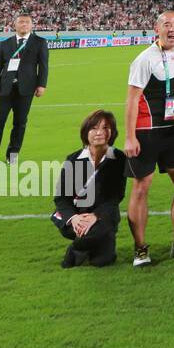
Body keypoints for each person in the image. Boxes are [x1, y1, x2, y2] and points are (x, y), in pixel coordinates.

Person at [124, 9, 174, 265]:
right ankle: (140, 249)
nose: (173, 29)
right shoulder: (144, 59)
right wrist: (129, 137)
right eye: (167, 25)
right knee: (141, 188)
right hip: (146, 133)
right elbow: (132, 100)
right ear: (157, 29)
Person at [52, 110, 127, 268]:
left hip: (103, 216)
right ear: (86, 132)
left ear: (112, 132)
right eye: (94, 128)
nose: (99, 132)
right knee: (95, 233)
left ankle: (76, 248)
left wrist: (95, 216)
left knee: (102, 261)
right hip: (76, 216)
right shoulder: (73, 159)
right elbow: (61, 198)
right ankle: (86, 244)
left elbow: (115, 196)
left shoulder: (118, 158)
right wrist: (74, 218)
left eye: (105, 127)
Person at [0, 11, 49, 165]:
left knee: (20, 122)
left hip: (26, 90)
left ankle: (13, 155)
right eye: (21, 22)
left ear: (31, 25)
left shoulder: (39, 42)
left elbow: (43, 66)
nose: (24, 24)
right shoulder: (5, 43)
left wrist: (42, 84)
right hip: (4, 89)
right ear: (15, 24)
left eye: (27, 22)